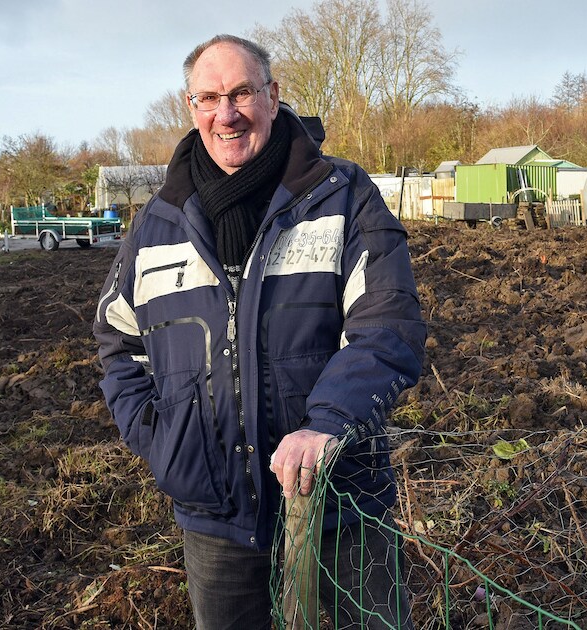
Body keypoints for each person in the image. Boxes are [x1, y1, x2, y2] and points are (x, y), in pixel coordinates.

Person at [93, 34, 426, 629]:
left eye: (242, 92)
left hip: (342, 502)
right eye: (209, 97)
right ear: (190, 107)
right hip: (215, 515)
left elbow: (386, 325)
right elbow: (119, 340)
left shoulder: (342, 197)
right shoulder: (157, 224)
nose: (227, 113)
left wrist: (328, 424)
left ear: (272, 97)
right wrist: (165, 440)